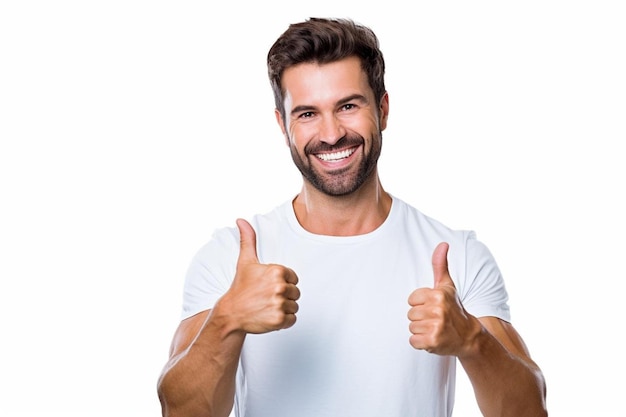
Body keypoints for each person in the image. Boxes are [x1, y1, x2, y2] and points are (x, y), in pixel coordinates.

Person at [157, 17, 548, 417]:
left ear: (383, 109)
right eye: (307, 114)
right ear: (282, 124)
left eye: (347, 106)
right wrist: (227, 320)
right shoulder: (232, 256)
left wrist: (473, 342)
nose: (330, 134)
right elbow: (179, 410)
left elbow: (529, 411)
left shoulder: (454, 255)